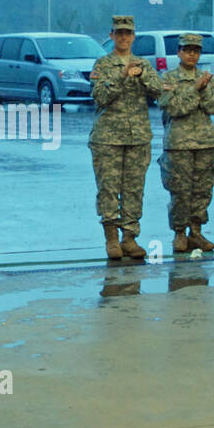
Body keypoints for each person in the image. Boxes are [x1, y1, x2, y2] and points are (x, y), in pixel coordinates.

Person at [89, 15, 162, 259]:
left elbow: (158, 91)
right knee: (109, 188)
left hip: (138, 136)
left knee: (134, 189)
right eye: (119, 33)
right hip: (107, 137)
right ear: (111, 36)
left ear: (133, 37)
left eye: (127, 33)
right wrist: (122, 77)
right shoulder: (102, 64)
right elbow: (100, 96)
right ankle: (111, 238)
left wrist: (141, 75)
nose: (123, 37)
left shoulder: (143, 63)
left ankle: (129, 237)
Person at [157, 33, 214, 253]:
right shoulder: (168, 79)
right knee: (180, 190)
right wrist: (194, 89)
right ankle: (179, 233)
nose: (191, 54)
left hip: (205, 142)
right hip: (178, 144)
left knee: (203, 190)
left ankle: (196, 232)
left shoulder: (208, 78)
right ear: (179, 52)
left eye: (195, 51)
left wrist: (203, 90)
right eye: (187, 50)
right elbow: (174, 108)